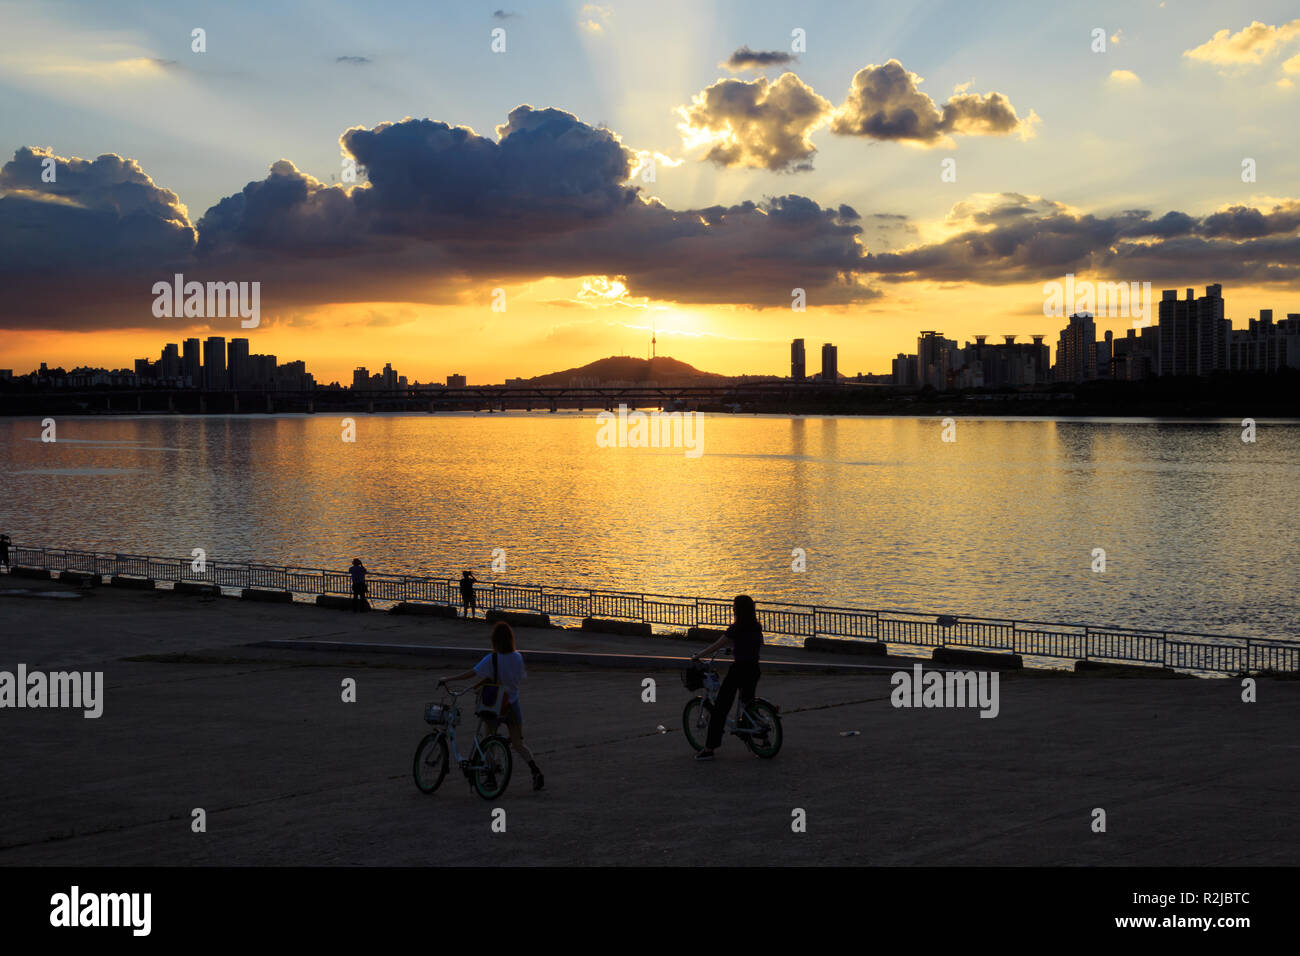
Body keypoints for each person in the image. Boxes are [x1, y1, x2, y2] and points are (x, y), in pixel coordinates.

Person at [440, 622, 544, 790]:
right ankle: (535, 770)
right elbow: (509, 679)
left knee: (488, 740)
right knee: (518, 744)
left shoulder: (492, 658)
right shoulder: (517, 657)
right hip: (512, 705)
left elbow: (472, 673)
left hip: (495, 706)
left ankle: (490, 778)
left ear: (494, 640)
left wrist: (449, 679)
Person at [692, 595, 764, 761]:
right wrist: (736, 650)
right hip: (754, 669)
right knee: (748, 705)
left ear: (737, 610)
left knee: (720, 708)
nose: (732, 609)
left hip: (739, 670)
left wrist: (698, 656)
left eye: (734, 606)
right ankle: (764, 740)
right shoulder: (756, 626)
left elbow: (716, 645)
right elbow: (755, 644)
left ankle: (709, 749)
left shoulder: (736, 628)